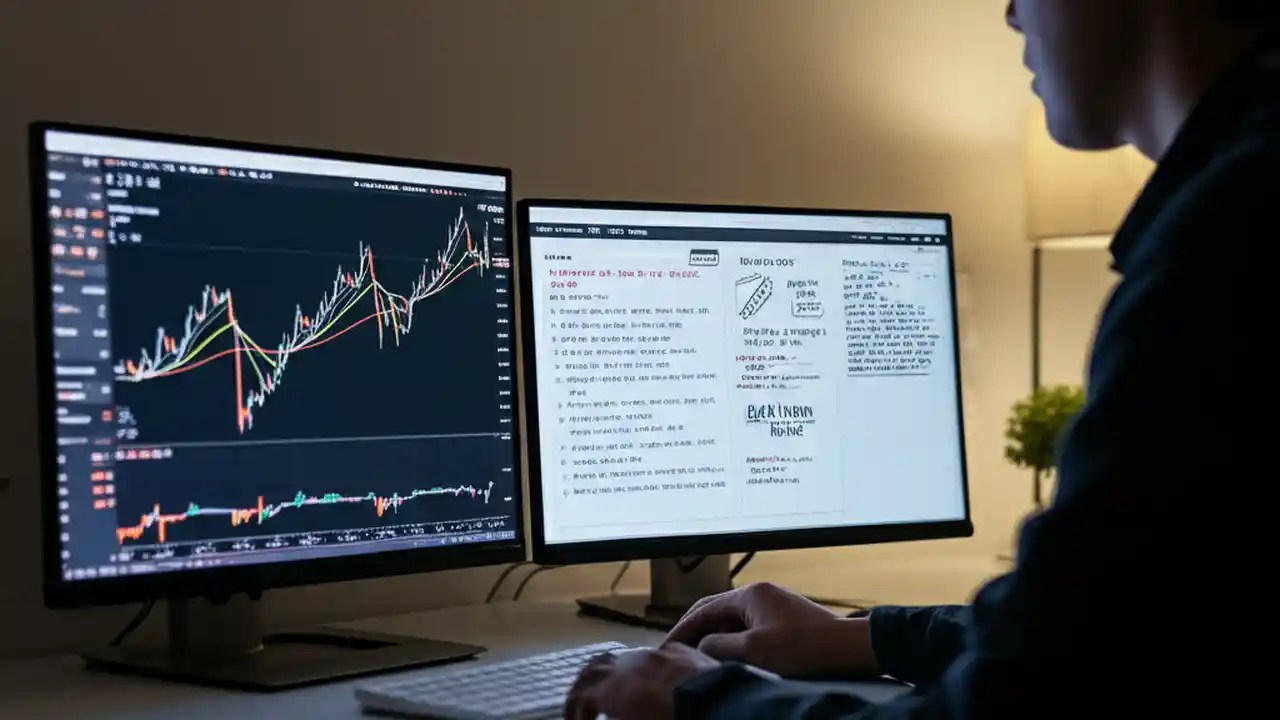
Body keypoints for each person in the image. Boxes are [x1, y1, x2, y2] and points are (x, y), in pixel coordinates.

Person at [566, 1, 1276, 718]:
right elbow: (1106, 628)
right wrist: (863, 636)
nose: (1011, 14)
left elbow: (1013, 704)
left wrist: (698, 701)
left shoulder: (1226, 255)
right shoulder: (1240, 206)